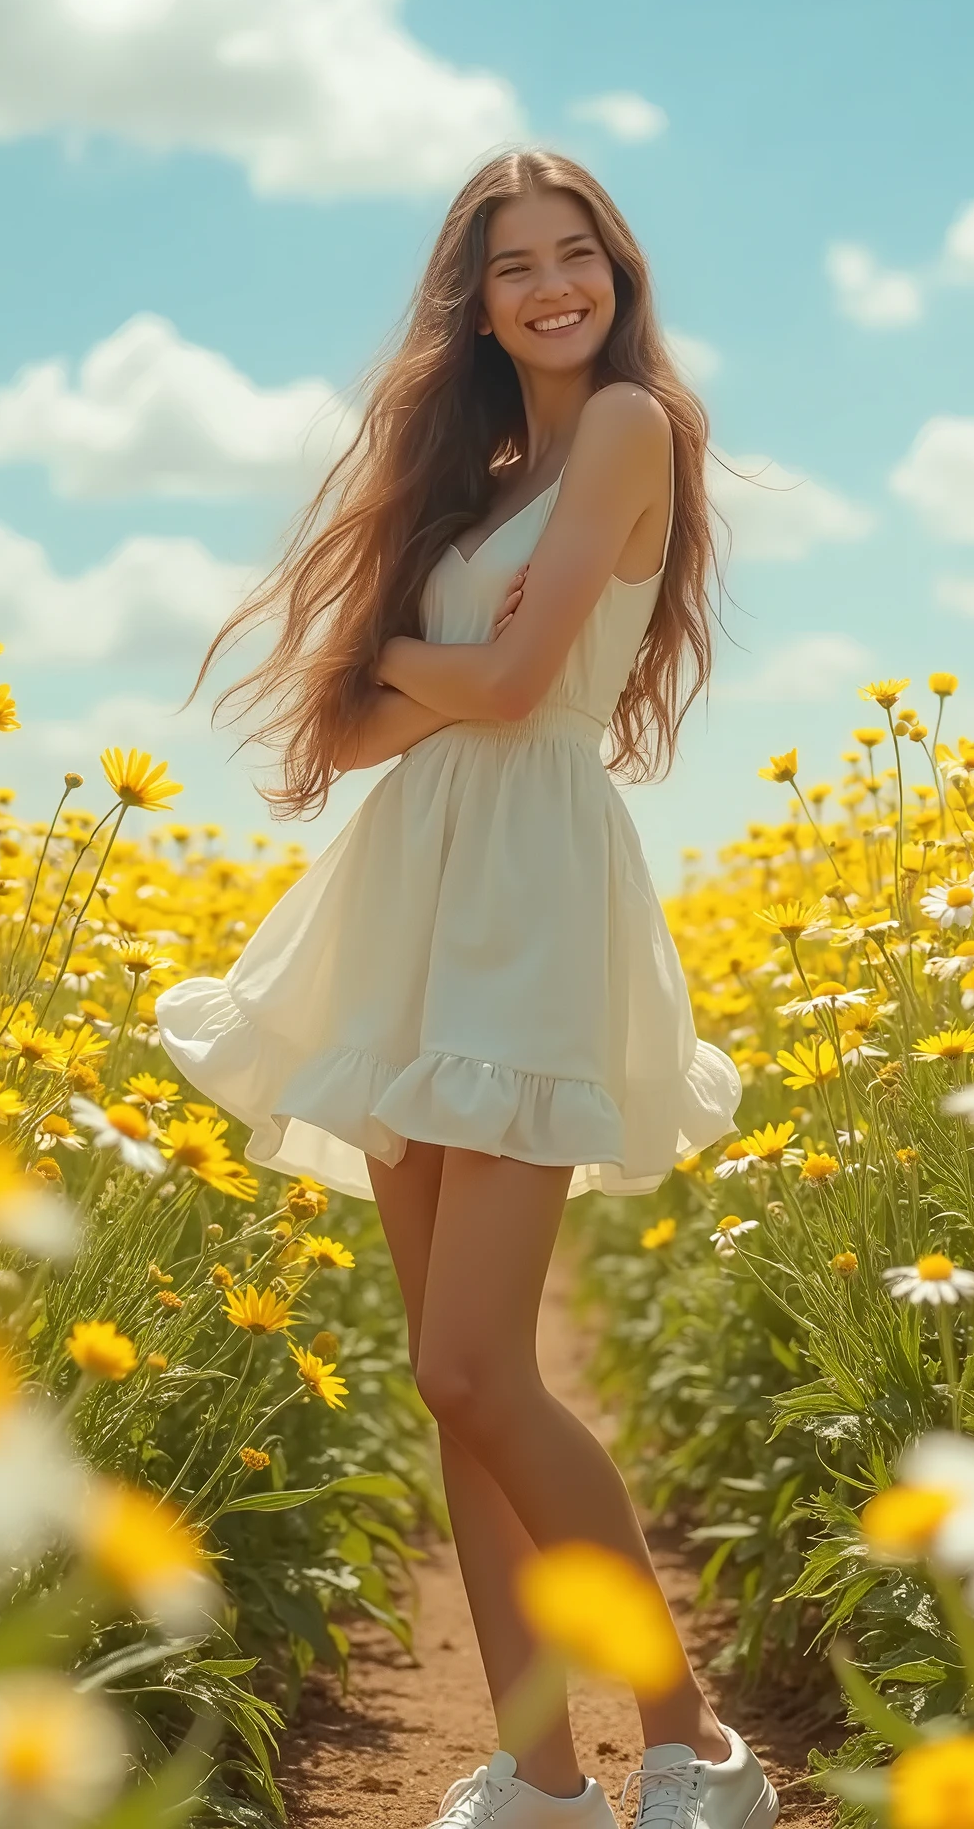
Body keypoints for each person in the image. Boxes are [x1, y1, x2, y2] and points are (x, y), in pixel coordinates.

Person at [156, 149, 778, 1829]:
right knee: (449, 1377)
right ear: (476, 297)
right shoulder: (483, 468)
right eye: (515, 265)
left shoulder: (636, 427)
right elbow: (343, 727)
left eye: (578, 254)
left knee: (479, 1364)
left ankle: (696, 1748)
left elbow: (505, 686)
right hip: (414, 891)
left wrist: (417, 664)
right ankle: (535, 1774)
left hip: (529, 894)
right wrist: (429, 674)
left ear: (617, 273)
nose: (552, 285)